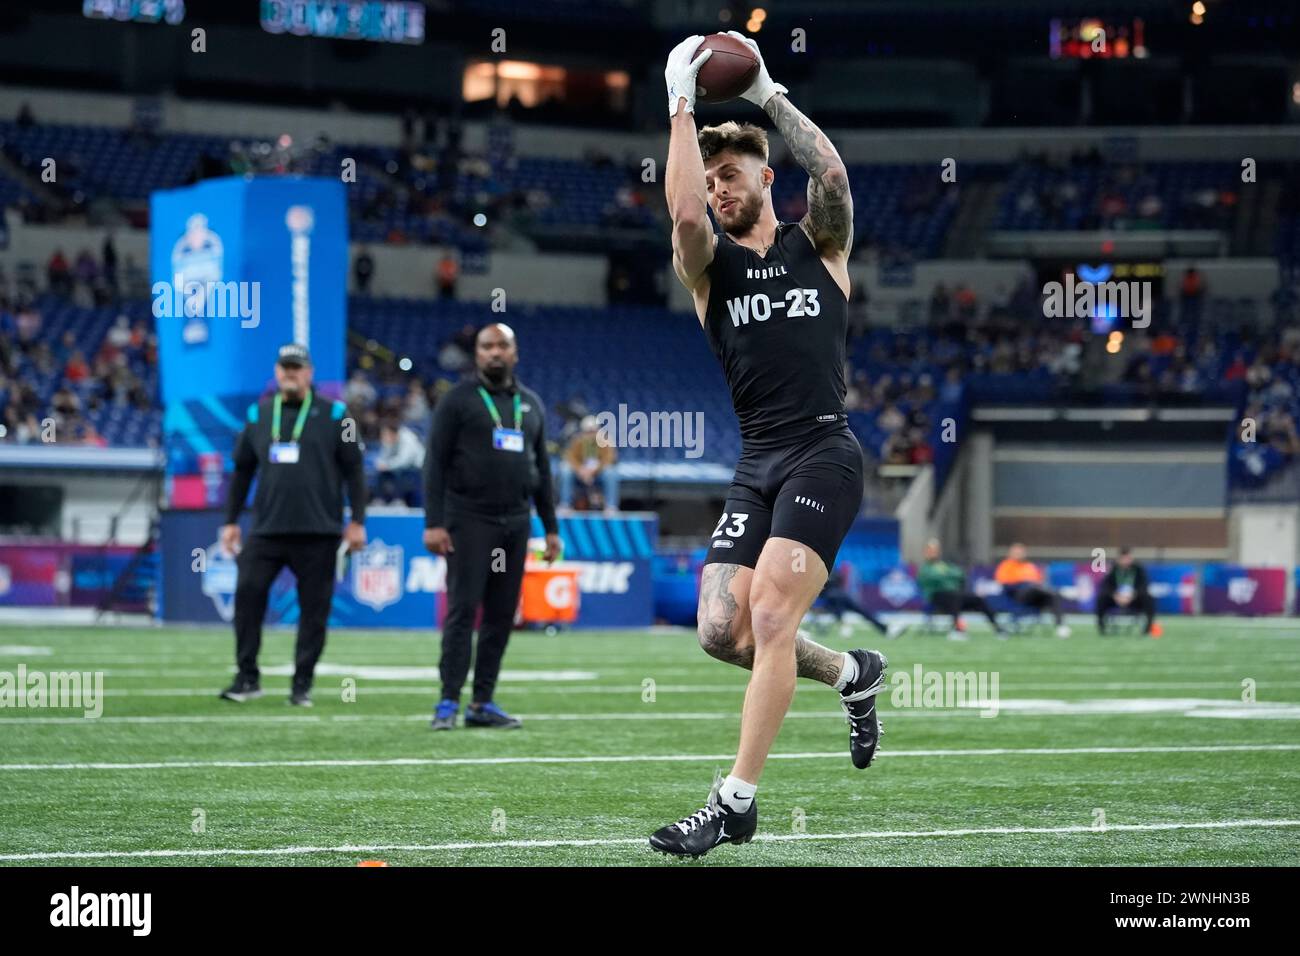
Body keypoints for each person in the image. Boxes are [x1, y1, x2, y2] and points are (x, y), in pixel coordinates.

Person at [650, 32, 884, 858]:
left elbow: (834, 177)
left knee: (773, 613)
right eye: (710, 178)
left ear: (763, 177)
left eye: (730, 174)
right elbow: (679, 215)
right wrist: (681, 105)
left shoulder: (817, 245)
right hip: (757, 463)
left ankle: (735, 801)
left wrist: (767, 95)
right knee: (723, 631)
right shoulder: (709, 269)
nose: (716, 189)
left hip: (824, 452)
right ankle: (853, 676)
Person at [422, 324, 561, 731]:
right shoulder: (457, 401)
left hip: (516, 523)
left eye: (503, 346)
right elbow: (434, 464)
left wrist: (551, 529)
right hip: (468, 520)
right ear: (476, 354)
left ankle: (481, 702)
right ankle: (448, 701)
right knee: (463, 611)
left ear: (515, 353)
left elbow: (543, 472)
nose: (495, 353)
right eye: (487, 347)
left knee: (502, 615)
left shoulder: (531, 404)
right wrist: (434, 523)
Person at [219, 344, 368, 706]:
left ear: (309, 373)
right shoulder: (258, 414)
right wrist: (230, 522)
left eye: (297, 367)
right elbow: (241, 471)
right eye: (285, 367)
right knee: (247, 596)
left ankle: (302, 684)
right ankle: (247, 677)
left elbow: (355, 471)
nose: (290, 373)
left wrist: (358, 521)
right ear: (276, 370)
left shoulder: (337, 415)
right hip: (267, 530)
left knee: (314, 612)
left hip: (319, 532)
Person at [917, 538, 1005, 640]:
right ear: (925, 552)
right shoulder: (924, 568)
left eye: (935, 550)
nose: (933, 553)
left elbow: (960, 574)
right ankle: (958, 630)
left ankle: (999, 629)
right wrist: (947, 576)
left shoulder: (945, 565)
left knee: (978, 599)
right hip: (937, 597)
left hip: (954, 594)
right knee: (954, 598)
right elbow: (932, 579)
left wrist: (945, 576)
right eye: (930, 550)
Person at [994, 542, 1069, 638]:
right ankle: (1054, 592)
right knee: (1033, 588)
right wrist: (1023, 584)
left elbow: (1039, 581)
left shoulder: (1029, 566)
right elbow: (1004, 585)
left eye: (1021, 552)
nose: (1019, 554)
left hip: (1036, 597)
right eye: (1016, 552)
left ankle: (1061, 626)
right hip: (1018, 596)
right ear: (1010, 553)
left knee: (1054, 595)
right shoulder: (1005, 566)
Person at [558, 415, 619, 513]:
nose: (591, 435)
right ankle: (565, 505)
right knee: (565, 470)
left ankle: (611, 506)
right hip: (580, 474)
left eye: (593, 431)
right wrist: (581, 470)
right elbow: (570, 457)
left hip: (598, 474)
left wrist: (593, 471)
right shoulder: (577, 441)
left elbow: (608, 459)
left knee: (610, 472)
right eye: (588, 432)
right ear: (583, 432)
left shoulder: (605, 441)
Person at [1096, 547, 1158, 636]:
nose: (1125, 561)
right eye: (1123, 559)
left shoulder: (1138, 569)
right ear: (1119, 559)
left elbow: (1144, 585)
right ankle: (1102, 628)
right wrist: (1115, 596)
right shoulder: (1112, 569)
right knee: (1101, 598)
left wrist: (1132, 596)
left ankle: (1147, 629)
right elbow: (1105, 585)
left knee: (1148, 598)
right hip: (1116, 599)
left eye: (1127, 558)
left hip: (1134, 599)